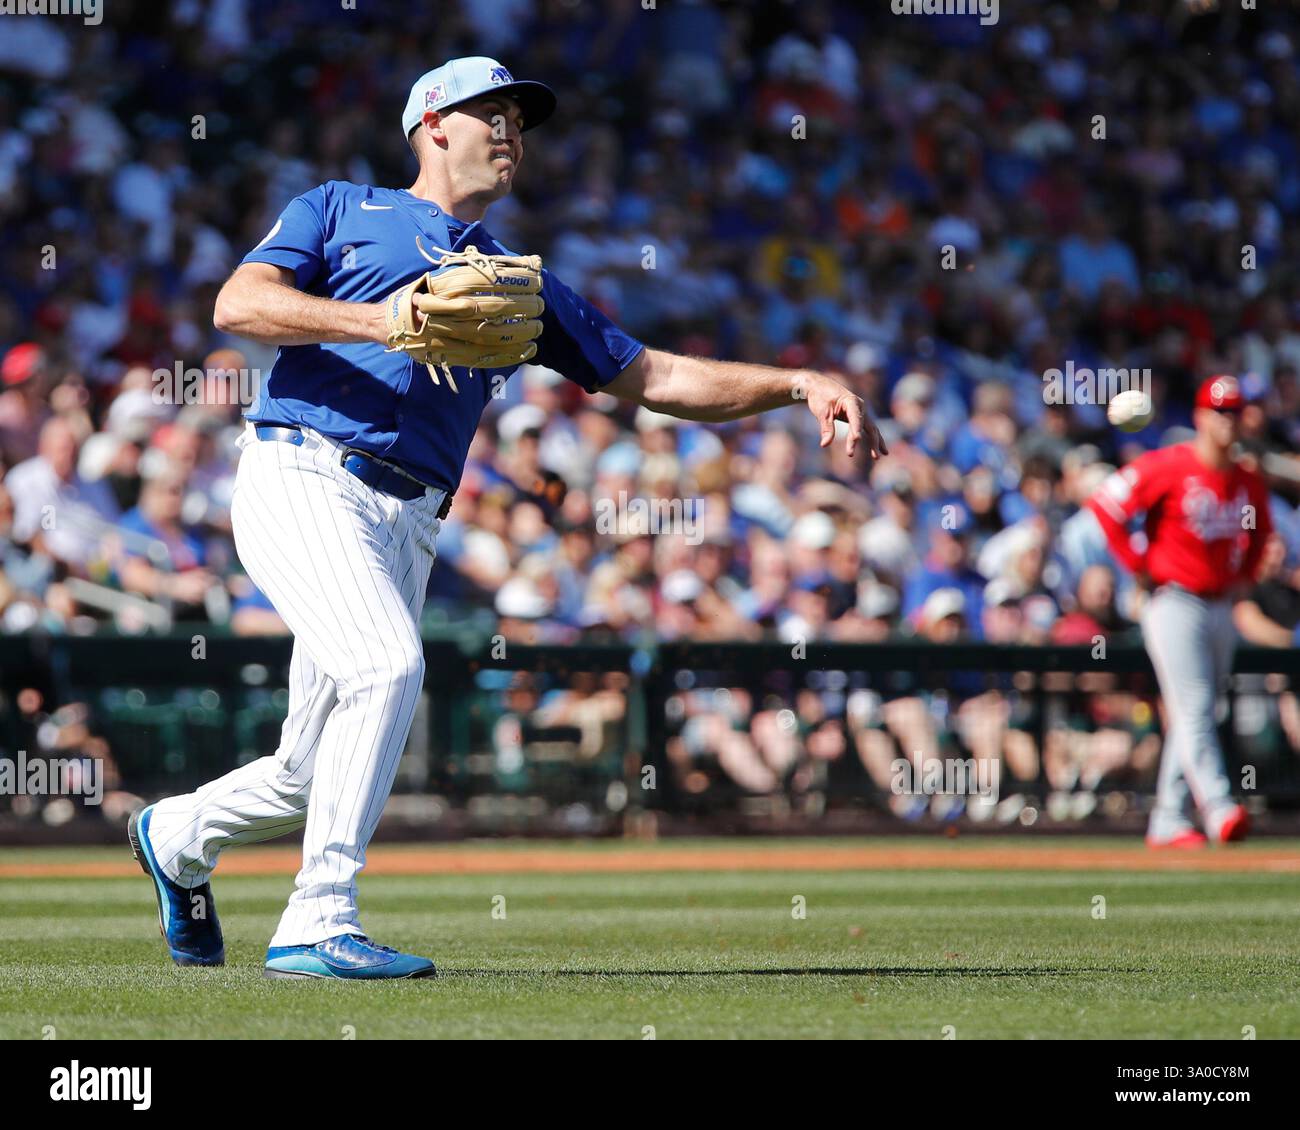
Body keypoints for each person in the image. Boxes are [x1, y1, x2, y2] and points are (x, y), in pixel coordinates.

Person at [126, 57, 884, 979]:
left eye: (521, 120)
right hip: (305, 472)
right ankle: (317, 917)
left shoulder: (514, 283)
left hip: (410, 520)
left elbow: (658, 379)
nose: (512, 132)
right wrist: (384, 321)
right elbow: (237, 303)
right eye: (494, 113)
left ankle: (174, 835)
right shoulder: (342, 208)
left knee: (301, 769)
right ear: (432, 124)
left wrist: (796, 382)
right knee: (388, 665)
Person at [1086, 375, 1272, 848]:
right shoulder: (1169, 465)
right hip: (1173, 600)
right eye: (1219, 411)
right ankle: (1220, 806)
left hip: (1219, 603)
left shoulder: (1246, 477)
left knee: (1201, 708)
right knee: (1193, 706)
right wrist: (1137, 565)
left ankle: (1169, 817)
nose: (1227, 421)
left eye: (1234, 411)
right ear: (1199, 417)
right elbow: (1105, 505)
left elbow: (1261, 534)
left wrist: (1244, 577)